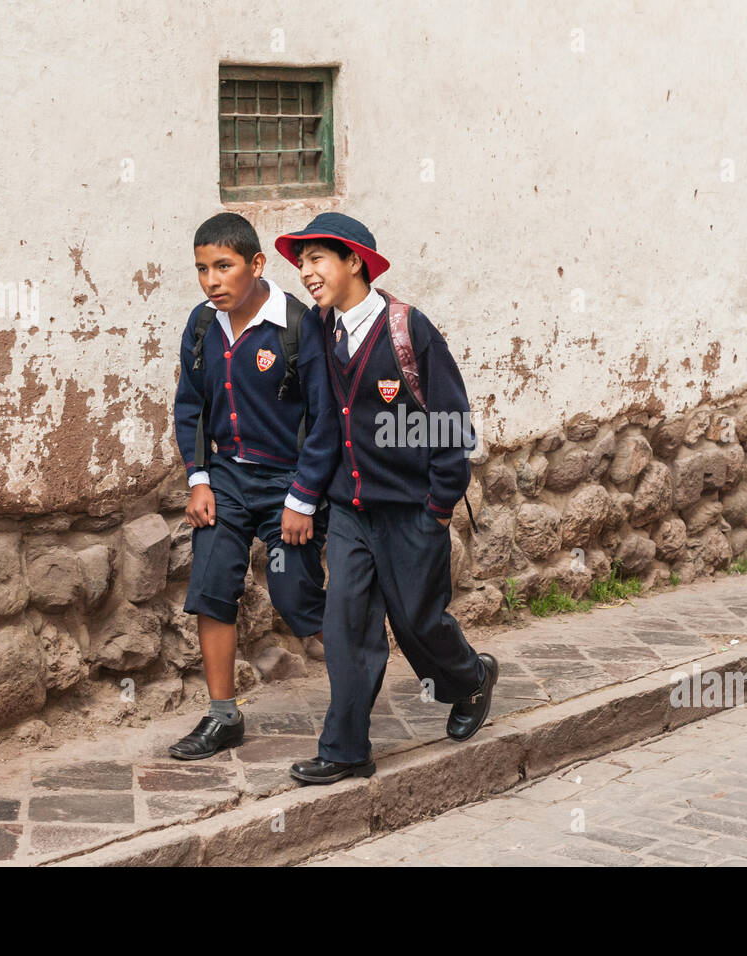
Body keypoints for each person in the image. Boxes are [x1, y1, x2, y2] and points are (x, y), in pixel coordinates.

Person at [272, 212, 499, 784]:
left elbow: (451, 421)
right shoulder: (322, 331)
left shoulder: (408, 328)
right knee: (346, 626)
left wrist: (440, 504)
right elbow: (326, 419)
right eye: (301, 262)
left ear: (354, 261)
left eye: (317, 258)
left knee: (417, 621)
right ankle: (346, 749)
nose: (306, 272)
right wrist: (307, 493)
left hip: (411, 509)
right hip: (350, 511)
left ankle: (470, 679)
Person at [169, 212, 338, 759]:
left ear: (256, 264)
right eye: (202, 269)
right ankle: (223, 717)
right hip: (227, 480)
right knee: (212, 588)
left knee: (295, 595)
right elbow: (190, 408)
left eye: (224, 266)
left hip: (287, 483)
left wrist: (303, 497)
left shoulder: (296, 326)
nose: (212, 281)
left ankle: (352, 699)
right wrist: (199, 480)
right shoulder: (201, 327)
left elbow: (324, 418)